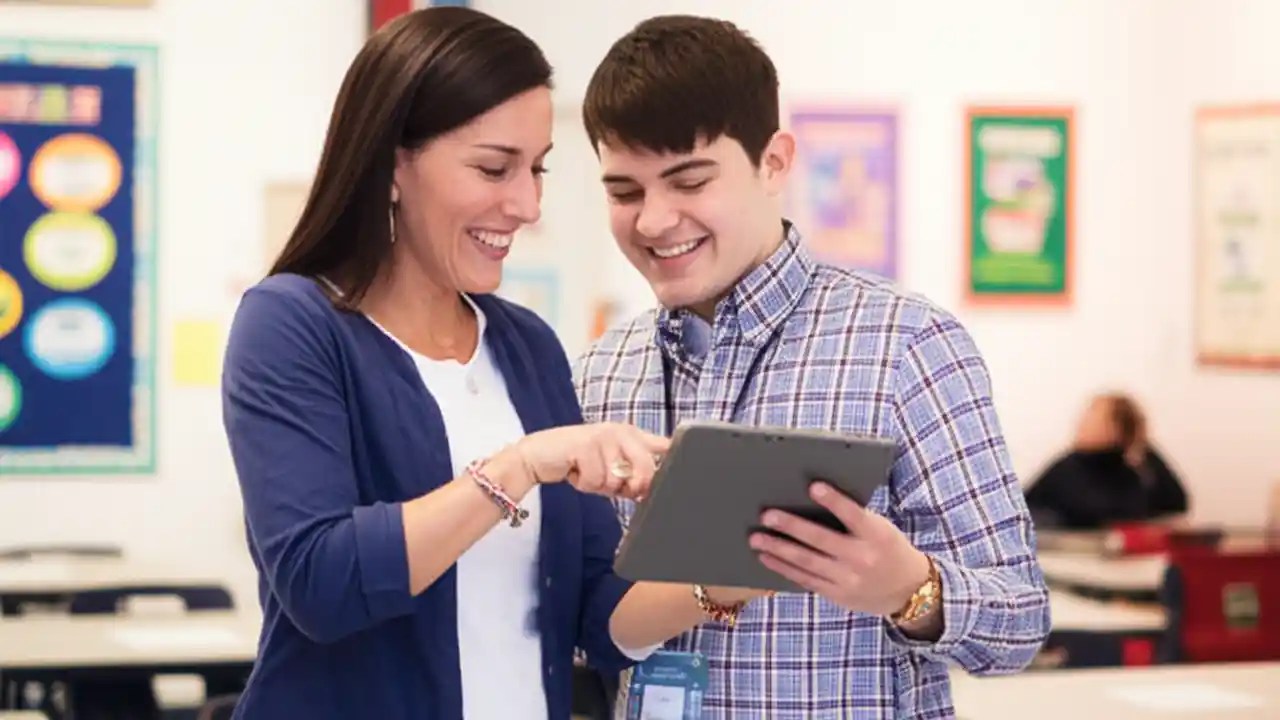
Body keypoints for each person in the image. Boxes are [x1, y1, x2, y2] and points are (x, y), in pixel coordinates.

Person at [220, 8, 763, 719]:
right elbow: (323, 585)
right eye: (494, 168)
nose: (528, 204)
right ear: (391, 164)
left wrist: (729, 573)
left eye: (536, 169)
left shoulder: (525, 345)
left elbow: (599, 617)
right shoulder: (291, 324)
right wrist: (521, 466)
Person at [573, 15, 1051, 719]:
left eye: (689, 180)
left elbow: (1021, 626)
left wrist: (909, 588)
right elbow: (579, 631)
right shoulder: (599, 373)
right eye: (625, 192)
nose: (652, 221)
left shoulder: (908, 344)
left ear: (774, 163)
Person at [1026, 392, 1189, 529]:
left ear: (1117, 429)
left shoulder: (1137, 465)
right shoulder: (1067, 467)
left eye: (1092, 418)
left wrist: (1142, 446)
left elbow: (1177, 504)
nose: (1080, 424)